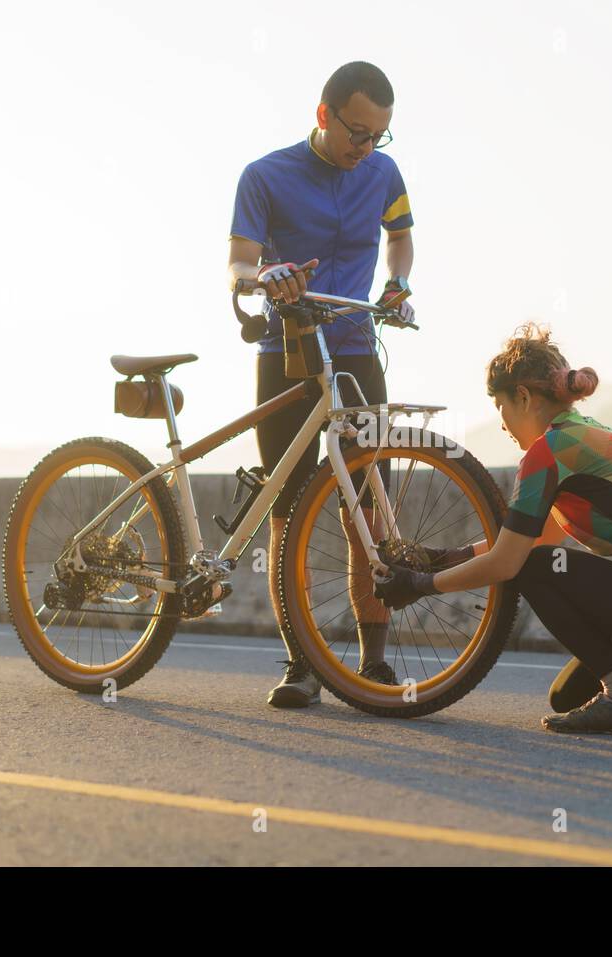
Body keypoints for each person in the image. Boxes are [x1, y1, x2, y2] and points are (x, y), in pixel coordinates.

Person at [374, 323, 612, 735]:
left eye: (500, 406)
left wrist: (421, 584)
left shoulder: (550, 451)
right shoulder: (589, 437)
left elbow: (510, 562)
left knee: (534, 568)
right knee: (567, 696)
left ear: (522, 396)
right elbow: (538, 540)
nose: (502, 424)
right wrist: (444, 558)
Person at [227, 61, 416, 708]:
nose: (364, 149)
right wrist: (262, 276)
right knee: (288, 511)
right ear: (323, 115)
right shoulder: (265, 175)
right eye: (356, 133)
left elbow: (401, 239)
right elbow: (238, 264)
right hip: (288, 353)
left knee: (369, 505)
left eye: (378, 137)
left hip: (357, 351)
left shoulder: (383, 173)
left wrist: (398, 283)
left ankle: (375, 660)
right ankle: (301, 662)